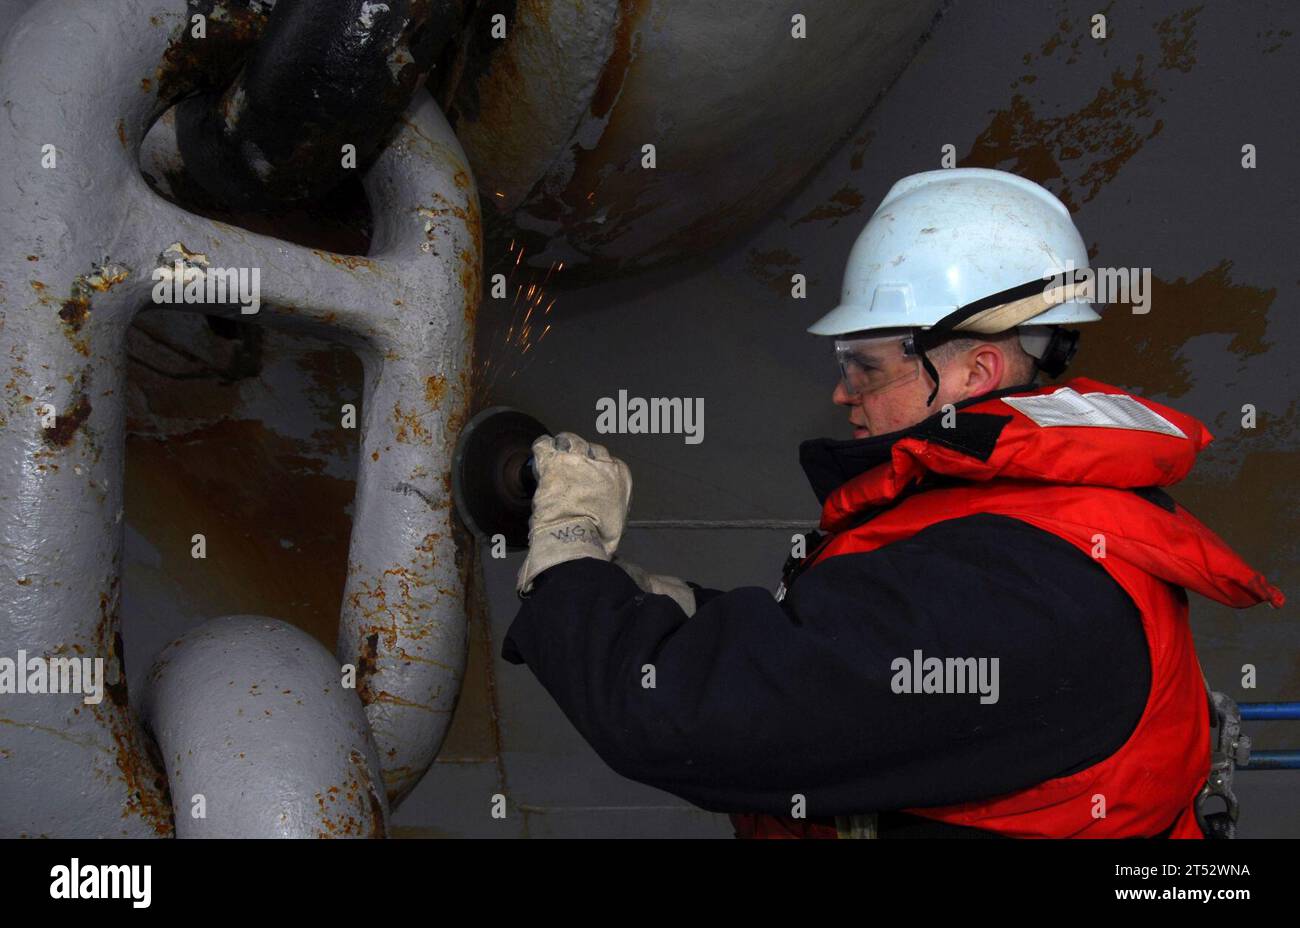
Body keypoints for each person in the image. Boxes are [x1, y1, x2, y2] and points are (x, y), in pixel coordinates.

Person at [501, 168, 1284, 838]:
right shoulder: (1038, 515)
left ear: (974, 373)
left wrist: (570, 555)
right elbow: (849, 652)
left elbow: (686, 720)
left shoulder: (1016, 586)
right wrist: (672, 609)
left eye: (864, 365)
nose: (842, 391)